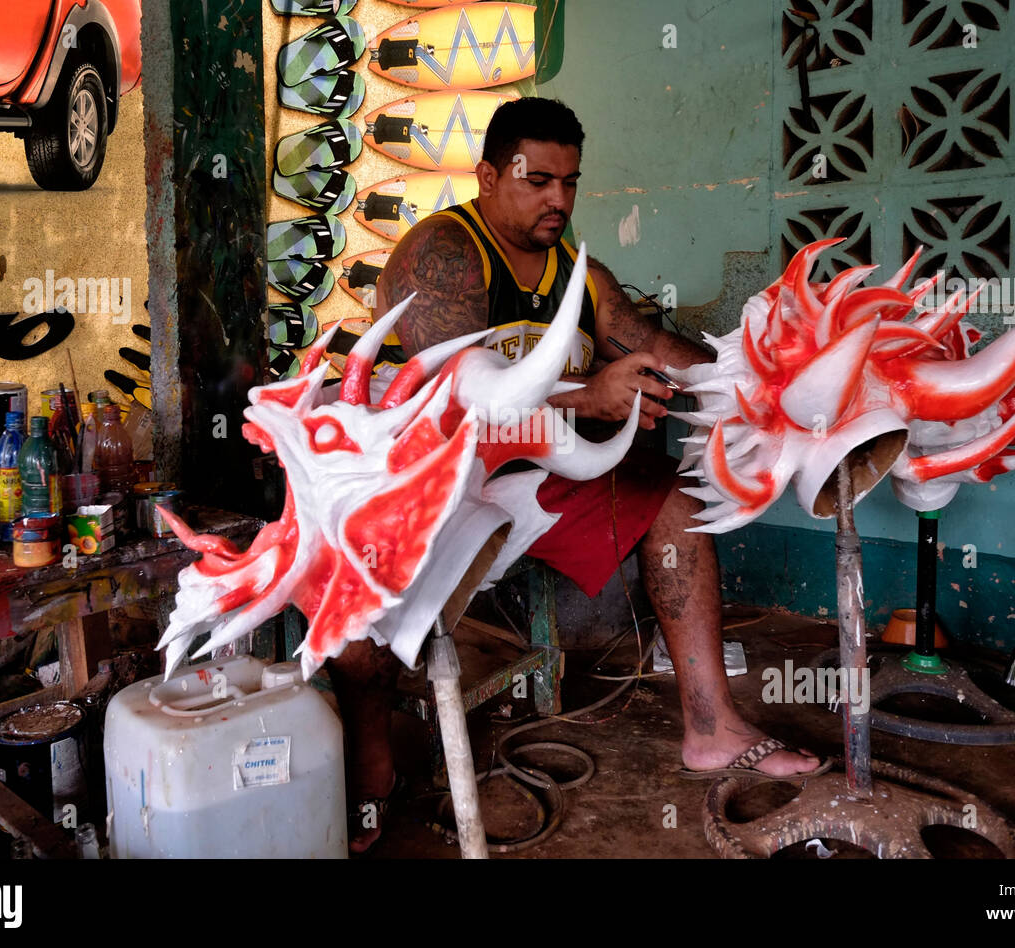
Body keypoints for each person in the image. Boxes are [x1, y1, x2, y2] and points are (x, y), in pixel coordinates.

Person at [330, 97, 824, 854]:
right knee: (358, 625)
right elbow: (458, 391)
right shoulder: (441, 255)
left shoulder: (576, 271)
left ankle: (711, 727)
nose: (558, 199)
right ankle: (371, 778)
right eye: (538, 181)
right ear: (489, 175)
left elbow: (649, 341)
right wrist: (590, 395)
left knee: (676, 506)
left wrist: (759, 382)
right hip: (429, 483)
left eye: (570, 182)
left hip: (534, 477)